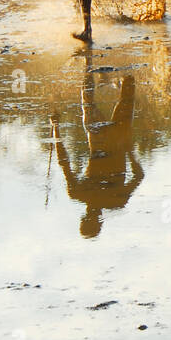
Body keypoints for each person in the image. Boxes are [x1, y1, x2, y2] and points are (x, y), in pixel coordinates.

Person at [54, 73, 143, 238]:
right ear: (83, 217)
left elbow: (139, 176)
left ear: (100, 221)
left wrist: (129, 150)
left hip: (118, 139)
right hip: (100, 139)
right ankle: (89, 62)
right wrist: (55, 127)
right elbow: (63, 161)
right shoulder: (77, 193)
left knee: (127, 91)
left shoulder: (117, 202)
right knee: (87, 102)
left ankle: (119, 69)